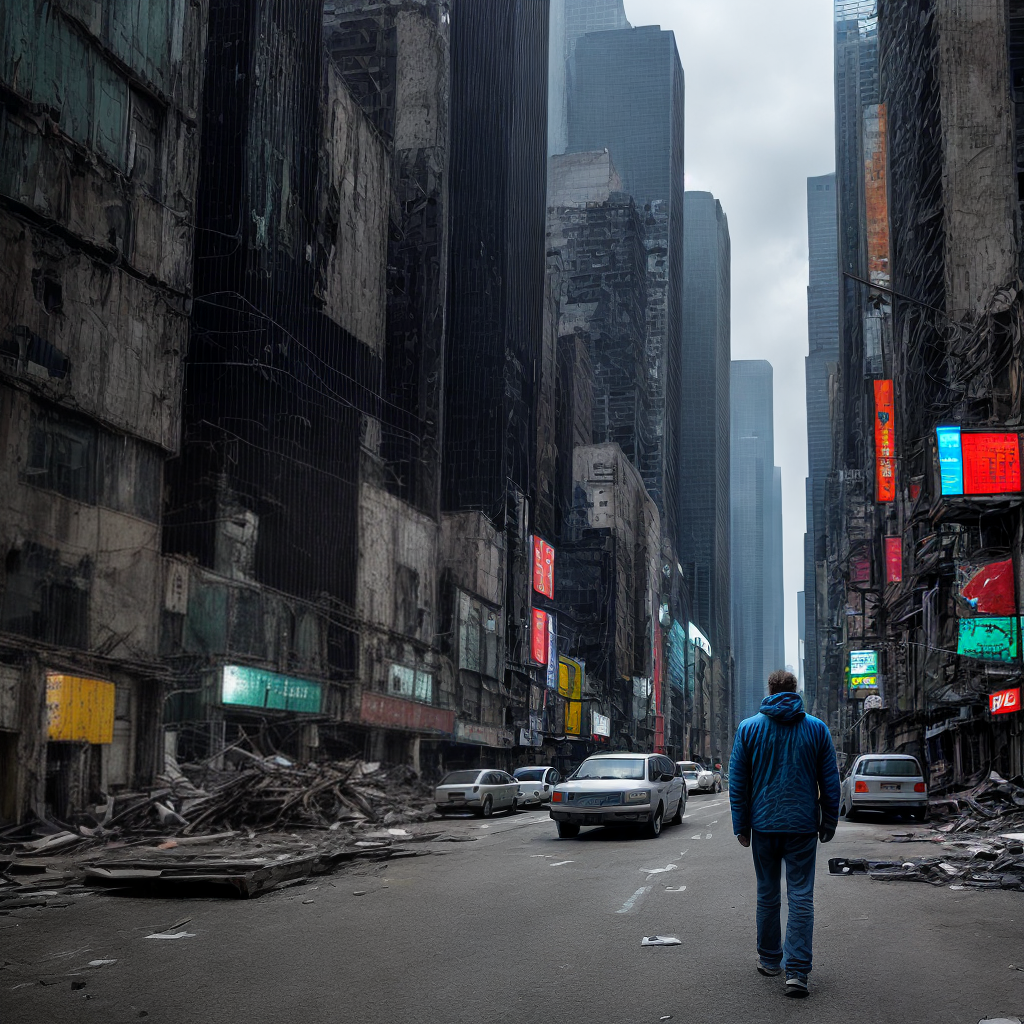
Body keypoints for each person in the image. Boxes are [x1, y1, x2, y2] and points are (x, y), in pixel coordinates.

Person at [728, 669, 841, 999]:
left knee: (767, 893)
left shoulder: (749, 729)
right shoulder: (817, 729)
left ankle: (770, 960)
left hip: (763, 826)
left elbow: (739, 783)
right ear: (795, 690)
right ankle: (797, 973)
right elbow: (830, 783)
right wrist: (828, 822)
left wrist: (741, 826)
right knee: (801, 896)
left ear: (770, 690)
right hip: (803, 827)